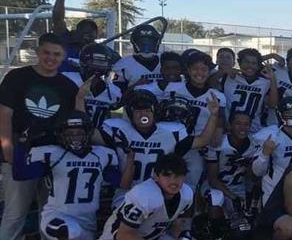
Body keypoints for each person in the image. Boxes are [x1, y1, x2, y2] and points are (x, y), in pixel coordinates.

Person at [13, 111, 120, 240]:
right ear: (61, 135)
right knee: (69, 232)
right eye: (70, 133)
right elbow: (21, 174)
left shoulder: (101, 154)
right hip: (57, 215)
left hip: (87, 221)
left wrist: (118, 148)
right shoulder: (53, 154)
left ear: (88, 134)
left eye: (79, 132)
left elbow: (118, 180)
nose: (75, 137)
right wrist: (22, 144)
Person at [0, 33, 79, 240]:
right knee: (16, 210)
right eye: (47, 52)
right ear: (38, 51)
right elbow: (4, 114)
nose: (51, 58)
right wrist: (6, 145)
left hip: (53, 154)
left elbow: (74, 121)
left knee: (52, 206)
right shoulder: (17, 77)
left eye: (57, 54)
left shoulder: (67, 85)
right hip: (22, 151)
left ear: (64, 57)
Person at [99, 90, 219, 207]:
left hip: (159, 195)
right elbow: (89, 135)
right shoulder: (118, 130)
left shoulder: (171, 133)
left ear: (155, 112)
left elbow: (203, 140)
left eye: (147, 110)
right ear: (130, 114)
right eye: (138, 111)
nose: (143, 115)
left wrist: (214, 115)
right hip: (126, 194)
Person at [163, 51, 227, 189]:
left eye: (204, 69)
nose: (200, 73)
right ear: (188, 69)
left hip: (198, 144)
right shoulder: (173, 89)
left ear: (209, 72)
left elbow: (220, 118)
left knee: (191, 184)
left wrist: (218, 130)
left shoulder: (217, 96)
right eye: (195, 68)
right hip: (172, 142)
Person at [205, 110, 264, 240]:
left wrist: (250, 167)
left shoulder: (254, 145)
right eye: (238, 123)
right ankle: (218, 239)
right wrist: (232, 196)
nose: (242, 128)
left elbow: (253, 177)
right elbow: (212, 178)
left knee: (246, 227)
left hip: (240, 187)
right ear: (230, 125)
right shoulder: (218, 143)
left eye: (246, 124)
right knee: (215, 200)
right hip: (218, 187)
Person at [251, 96, 292, 209]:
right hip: (274, 190)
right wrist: (264, 154)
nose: (291, 116)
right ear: (280, 114)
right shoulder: (269, 135)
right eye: (287, 113)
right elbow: (257, 172)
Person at [62, 43, 122, 128]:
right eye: (95, 62)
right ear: (84, 62)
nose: (98, 66)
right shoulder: (67, 80)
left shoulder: (113, 92)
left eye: (102, 63)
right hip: (69, 132)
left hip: (97, 134)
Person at [219, 48, 272, 133]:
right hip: (230, 129)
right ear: (239, 63)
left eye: (254, 63)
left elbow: (273, 104)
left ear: (258, 66)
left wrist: (273, 79)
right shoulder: (228, 77)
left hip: (254, 130)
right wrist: (224, 71)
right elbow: (210, 82)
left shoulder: (265, 82)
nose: (250, 65)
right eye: (246, 62)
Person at [52, 0, 98, 72]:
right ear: (76, 32)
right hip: (60, 79)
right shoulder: (65, 39)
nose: (86, 38)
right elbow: (57, 19)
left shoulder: (99, 51)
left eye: (90, 35)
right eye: (83, 33)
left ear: (95, 37)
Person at [111, 24, 164, 89]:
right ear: (134, 43)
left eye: (150, 41)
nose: (146, 45)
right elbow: (117, 92)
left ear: (157, 42)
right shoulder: (123, 64)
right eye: (142, 42)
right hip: (136, 95)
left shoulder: (165, 61)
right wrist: (136, 85)